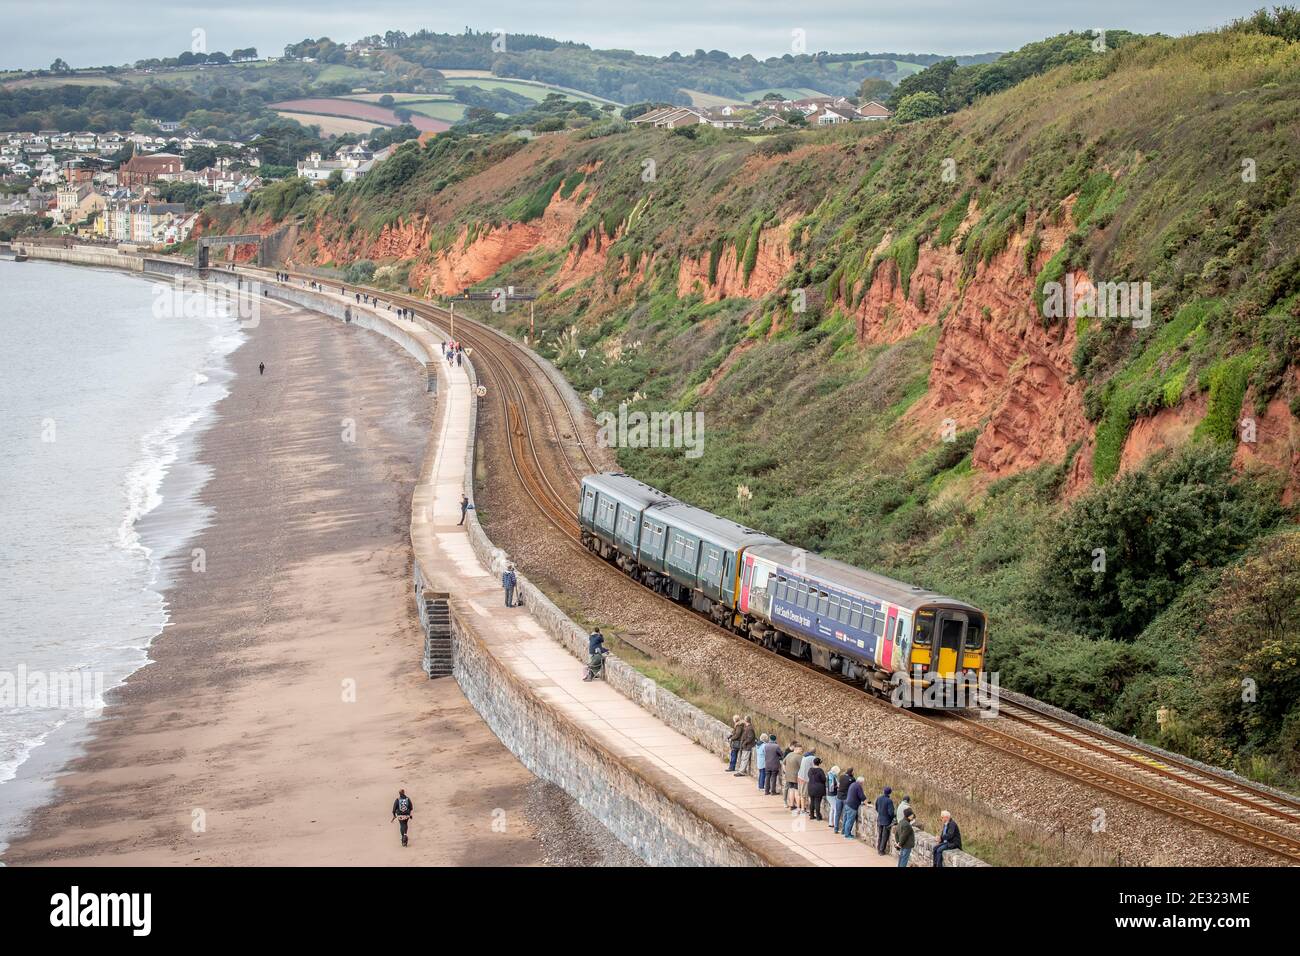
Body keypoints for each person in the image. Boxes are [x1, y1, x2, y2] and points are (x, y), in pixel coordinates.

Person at [842, 775, 867, 840]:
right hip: (852, 806)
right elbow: (862, 796)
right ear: (861, 782)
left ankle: (845, 832)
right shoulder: (858, 786)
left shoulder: (853, 784)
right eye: (863, 783)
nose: (863, 784)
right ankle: (847, 835)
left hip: (847, 804)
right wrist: (866, 803)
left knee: (846, 819)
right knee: (850, 821)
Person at [874, 786, 897, 855]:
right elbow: (891, 812)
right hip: (886, 821)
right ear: (890, 793)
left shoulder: (879, 798)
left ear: (883, 791)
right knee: (884, 836)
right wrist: (893, 817)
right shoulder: (889, 801)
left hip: (880, 819)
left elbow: (876, 807)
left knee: (880, 835)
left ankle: (878, 848)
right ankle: (881, 850)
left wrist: (880, 813)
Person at [782, 743, 803, 811]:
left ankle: (791, 805)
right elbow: (802, 767)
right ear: (796, 749)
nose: (801, 750)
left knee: (791, 790)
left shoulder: (788, 755)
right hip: (796, 777)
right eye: (800, 749)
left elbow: (783, 763)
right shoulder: (799, 757)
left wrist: (785, 771)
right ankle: (798, 806)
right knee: (797, 791)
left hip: (788, 776)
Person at [834, 768, 855, 833]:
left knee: (837, 813)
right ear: (851, 772)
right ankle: (843, 830)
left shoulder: (841, 777)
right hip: (846, 798)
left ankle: (836, 828)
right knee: (845, 814)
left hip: (839, 797)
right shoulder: (852, 779)